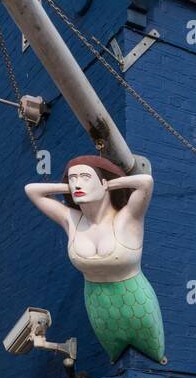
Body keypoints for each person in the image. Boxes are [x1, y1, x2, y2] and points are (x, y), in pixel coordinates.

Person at [25, 155, 165, 363]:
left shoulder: (127, 217)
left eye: (84, 177)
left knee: (154, 352)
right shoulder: (71, 219)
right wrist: (69, 187)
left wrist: (109, 184)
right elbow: (32, 190)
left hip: (136, 298)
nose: (77, 184)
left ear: (103, 182)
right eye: (72, 179)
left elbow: (145, 183)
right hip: (97, 303)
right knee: (114, 355)